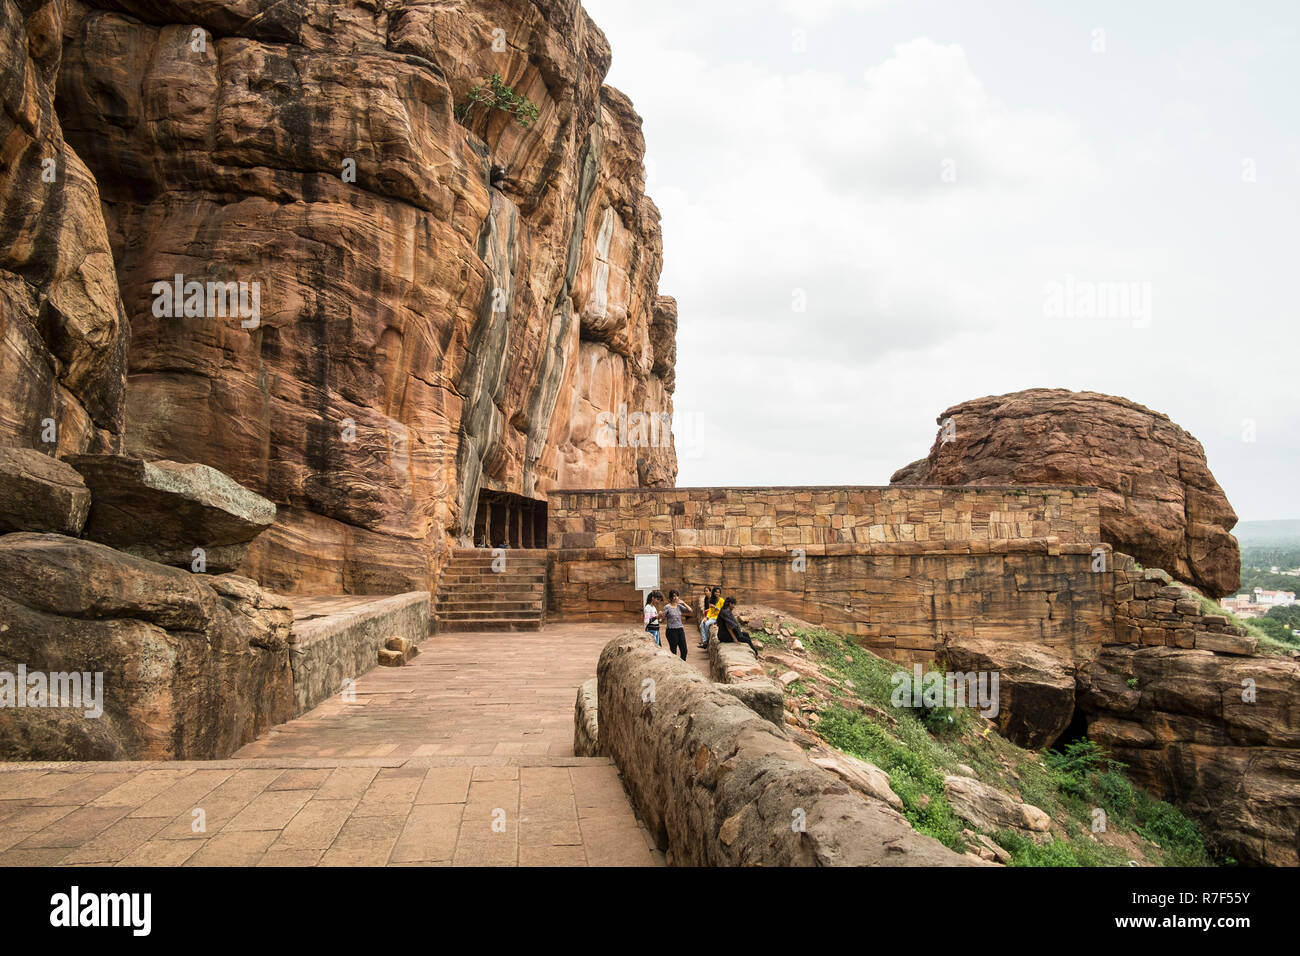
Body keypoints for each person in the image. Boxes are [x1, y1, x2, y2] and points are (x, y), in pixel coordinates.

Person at [661, 589, 693, 660]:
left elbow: (690, 610)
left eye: (677, 596)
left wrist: (683, 603)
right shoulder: (667, 607)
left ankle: (683, 665)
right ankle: (674, 667)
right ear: (671, 597)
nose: (676, 598)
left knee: (684, 650)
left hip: (680, 630)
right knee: (673, 651)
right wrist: (658, 617)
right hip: (671, 631)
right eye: (674, 596)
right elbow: (662, 619)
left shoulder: (679, 606)